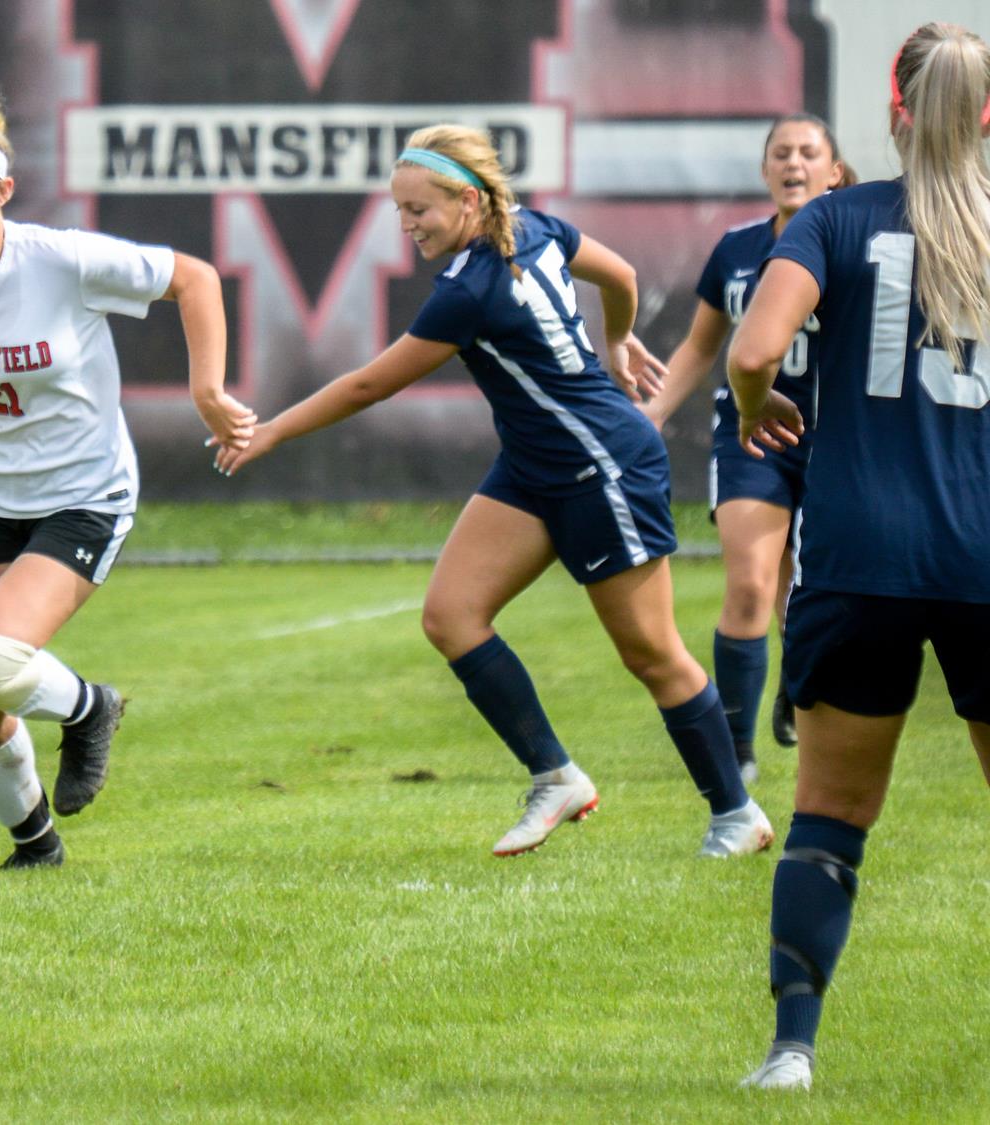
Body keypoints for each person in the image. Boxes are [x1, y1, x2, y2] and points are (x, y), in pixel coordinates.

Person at [213, 124, 774, 858]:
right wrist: (619, 339)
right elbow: (623, 277)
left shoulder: (471, 289)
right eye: (400, 210)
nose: (407, 225)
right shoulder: (537, 227)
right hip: (535, 464)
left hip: (603, 467)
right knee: (452, 616)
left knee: (652, 653)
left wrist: (272, 432)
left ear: (471, 201)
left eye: (421, 210)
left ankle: (737, 813)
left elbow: (370, 383)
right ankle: (556, 775)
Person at [0, 88, 252, 869]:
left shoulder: (60, 261)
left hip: (84, 494)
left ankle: (89, 708)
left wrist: (208, 390)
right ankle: (35, 849)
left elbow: (196, 279)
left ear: (4, 190)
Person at [729, 23, 990, 1091]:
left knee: (828, 818)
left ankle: (791, 1052)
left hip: (855, 556)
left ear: (891, 113)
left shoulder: (832, 217)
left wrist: (759, 407)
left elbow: (753, 348)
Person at [641, 116, 853, 781]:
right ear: (765, 170)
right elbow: (702, 347)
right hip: (752, 436)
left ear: (835, 172)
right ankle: (735, 752)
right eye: (780, 152)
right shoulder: (735, 249)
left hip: (837, 441)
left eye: (808, 152)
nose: (793, 162)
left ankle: (797, 681)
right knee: (752, 583)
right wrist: (646, 419)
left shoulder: (855, 243)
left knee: (814, 593)